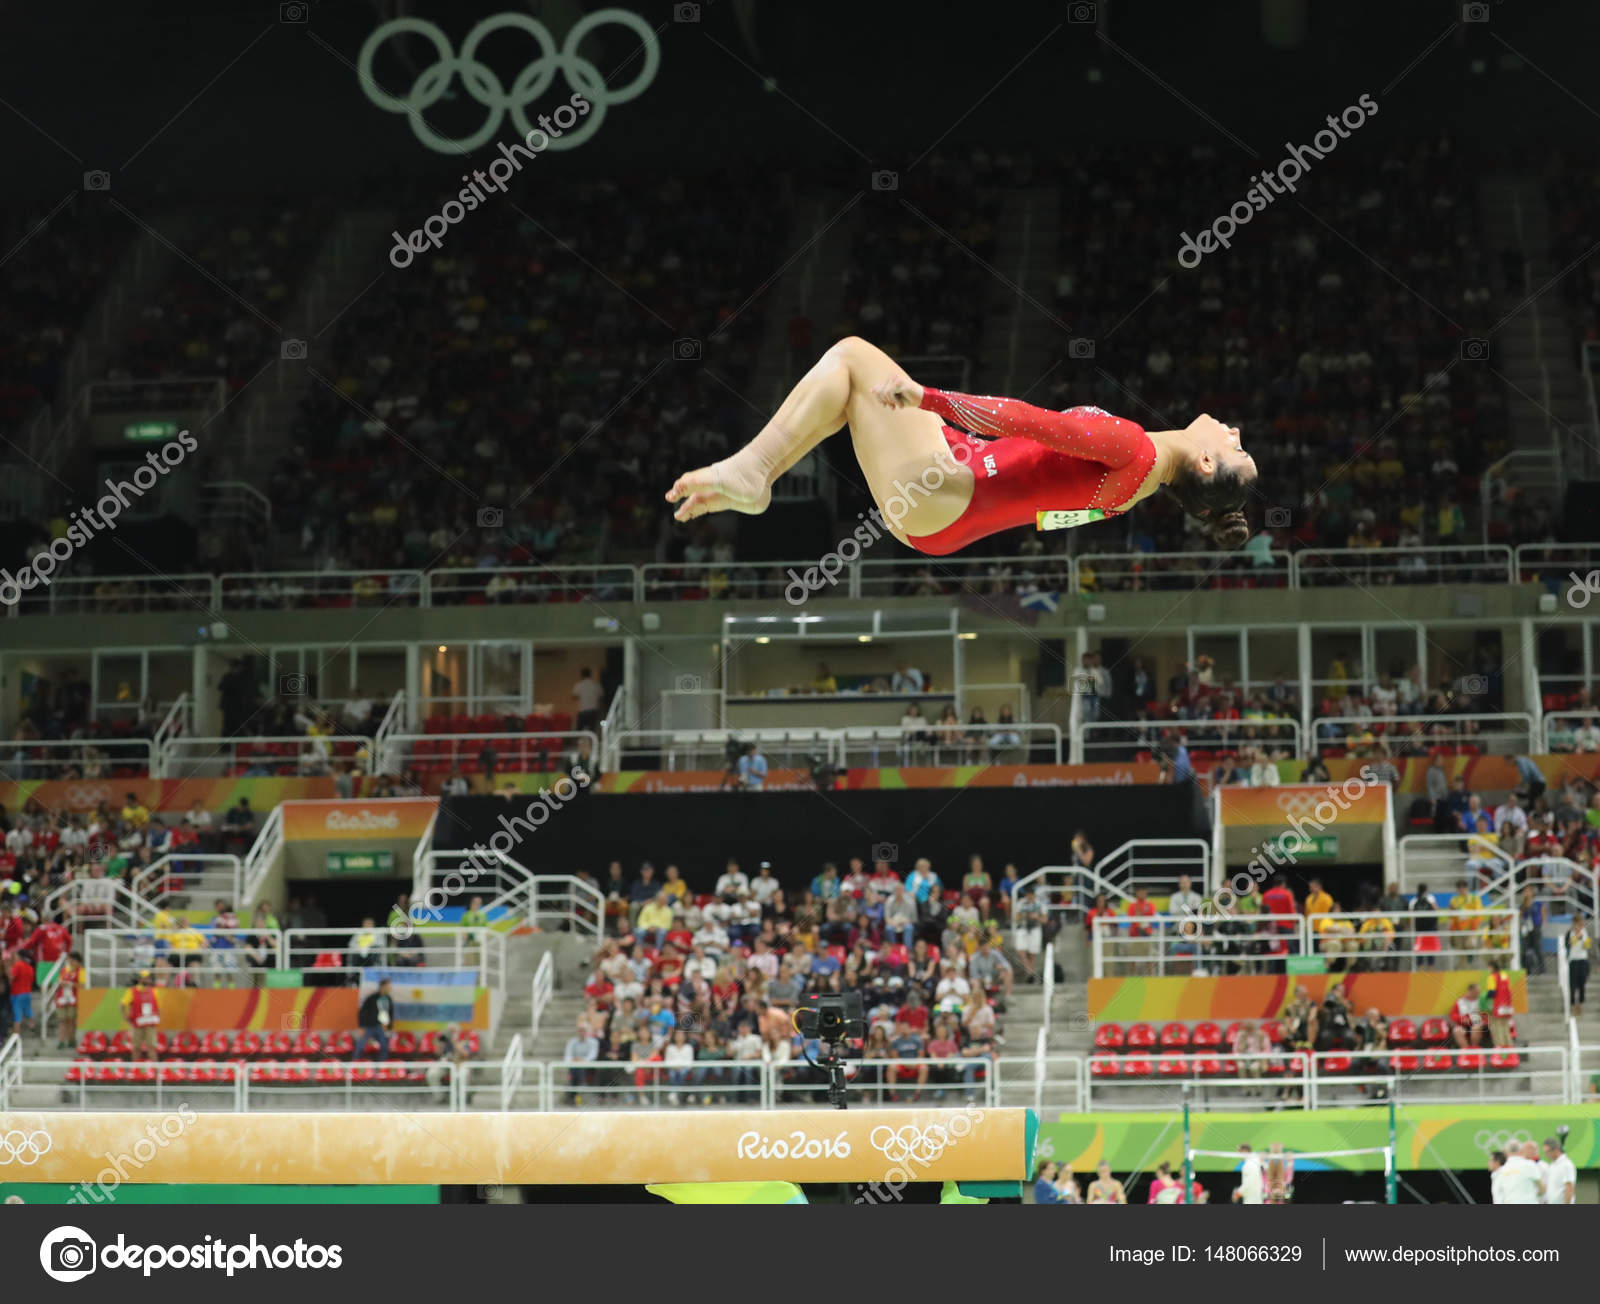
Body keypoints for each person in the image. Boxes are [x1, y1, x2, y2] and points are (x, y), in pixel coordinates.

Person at [667, 338, 1257, 556]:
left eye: (1236, 447)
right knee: (848, 394)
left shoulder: (1136, 450)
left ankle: (753, 471)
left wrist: (930, 398)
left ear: (1206, 464)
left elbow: (1029, 423)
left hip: (950, 488)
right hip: (947, 513)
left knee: (850, 356)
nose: (1233, 432)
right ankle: (752, 471)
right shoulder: (1136, 490)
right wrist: (952, 440)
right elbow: (1038, 495)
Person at [122, 971, 161, 1061]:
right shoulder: (132, 991)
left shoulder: (154, 991)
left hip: (150, 1025)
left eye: (148, 977)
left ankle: (155, 1073)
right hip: (137, 1025)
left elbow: (158, 1007)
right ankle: (135, 1071)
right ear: (139, 979)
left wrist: (158, 1018)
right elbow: (122, 1005)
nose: (147, 979)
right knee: (136, 1048)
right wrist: (126, 1016)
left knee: (152, 1048)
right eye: (144, 977)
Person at [357, 979, 395, 1060]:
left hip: (380, 1027)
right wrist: (361, 1026)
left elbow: (390, 1014)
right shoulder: (372, 998)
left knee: (384, 1046)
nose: (390, 988)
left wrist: (389, 1027)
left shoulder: (388, 999)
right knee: (360, 1046)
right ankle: (354, 1065)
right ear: (383, 986)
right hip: (368, 1027)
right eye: (388, 986)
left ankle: (382, 1068)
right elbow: (362, 1012)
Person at [1542, 1137, 1576, 1206]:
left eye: (1547, 1152)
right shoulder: (1552, 1165)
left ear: (1556, 1150)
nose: (1546, 1155)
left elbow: (1569, 1188)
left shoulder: (1566, 1165)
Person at [1569, 915, 1591, 1016]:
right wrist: (1577, 936)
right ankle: (1573, 1004)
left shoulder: (1585, 933)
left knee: (1582, 984)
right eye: (1577, 923)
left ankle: (1581, 1004)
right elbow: (1570, 943)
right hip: (1574, 960)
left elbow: (1587, 946)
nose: (1578, 926)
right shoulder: (1571, 933)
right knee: (1573, 985)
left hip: (1583, 960)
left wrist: (1582, 937)